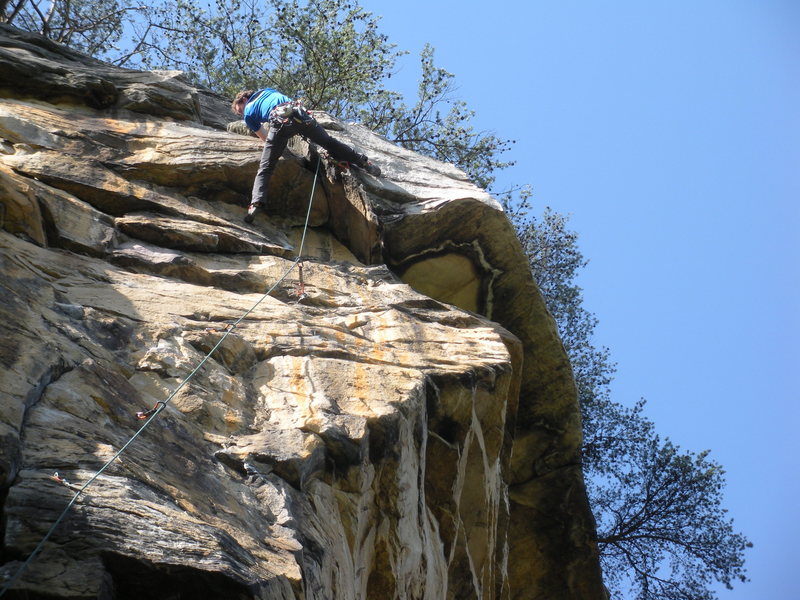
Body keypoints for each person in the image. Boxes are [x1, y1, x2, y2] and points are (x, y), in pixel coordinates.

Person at [231, 88, 382, 223]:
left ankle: (256, 203)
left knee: (265, 167)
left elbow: (264, 136)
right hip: (301, 115)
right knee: (328, 141)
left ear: (244, 99)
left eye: (240, 110)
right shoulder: (268, 91)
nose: (241, 114)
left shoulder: (249, 112)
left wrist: (277, 146)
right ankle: (363, 162)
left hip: (279, 121)